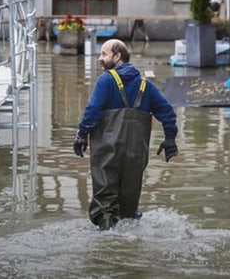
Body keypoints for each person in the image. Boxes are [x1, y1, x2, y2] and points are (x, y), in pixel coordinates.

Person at [73, 39, 179, 230]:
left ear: (117, 56)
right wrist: (170, 138)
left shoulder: (106, 80)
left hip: (107, 152)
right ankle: (128, 238)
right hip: (136, 154)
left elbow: (93, 111)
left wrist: (81, 134)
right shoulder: (146, 85)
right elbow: (167, 112)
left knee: (106, 202)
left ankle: (109, 241)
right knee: (128, 208)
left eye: (104, 54)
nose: (100, 58)